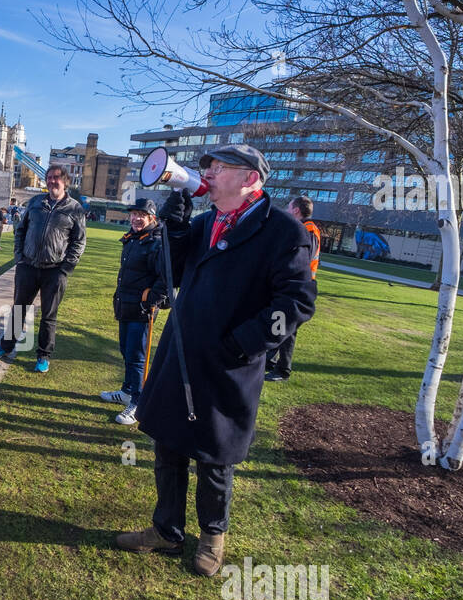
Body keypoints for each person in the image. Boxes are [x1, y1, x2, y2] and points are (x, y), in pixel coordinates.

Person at [116, 144, 316, 576]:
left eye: (219, 167)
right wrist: (176, 227)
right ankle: (166, 529)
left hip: (228, 362)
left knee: (214, 456)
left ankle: (212, 537)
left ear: (249, 179)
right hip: (182, 352)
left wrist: (244, 344)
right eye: (207, 166)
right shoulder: (206, 221)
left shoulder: (283, 231)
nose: (207, 172)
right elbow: (177, 268)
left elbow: (297, 303)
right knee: (168, 444)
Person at [0, 165, 85, 372]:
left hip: (55, 270)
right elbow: (20, 230)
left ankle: (43, 355)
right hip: (28, 266)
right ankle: (6, 346)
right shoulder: (35, 202)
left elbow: (79, 241)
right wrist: (19, 258)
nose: (51, 181)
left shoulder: (74, 208)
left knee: (49, 315)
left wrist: (66, 267)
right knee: (18, 310)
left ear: (65, 181)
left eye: (56, 178)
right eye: (48, 177)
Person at [101, 198, 168, 426]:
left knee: (137, 357)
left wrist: (152, 300)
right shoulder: (132, 239)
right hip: (125, 305)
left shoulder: (156, 243)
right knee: (126, 351)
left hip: (142, 310)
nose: (136, 218)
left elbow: (165, 278)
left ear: (152, 218)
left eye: (142, 215)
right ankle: (127, 391)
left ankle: (138, 403)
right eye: (134, 214)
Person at [266, 195, 321, 382]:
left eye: (290, 207)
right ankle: (269, 360)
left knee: (287, 327)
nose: (288, 210)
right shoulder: (305, 229)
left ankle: (282, 370)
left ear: (296, 210)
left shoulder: (308, 230)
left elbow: (304, 258)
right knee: (281, 322)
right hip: (295, 283)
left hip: (300, 286)